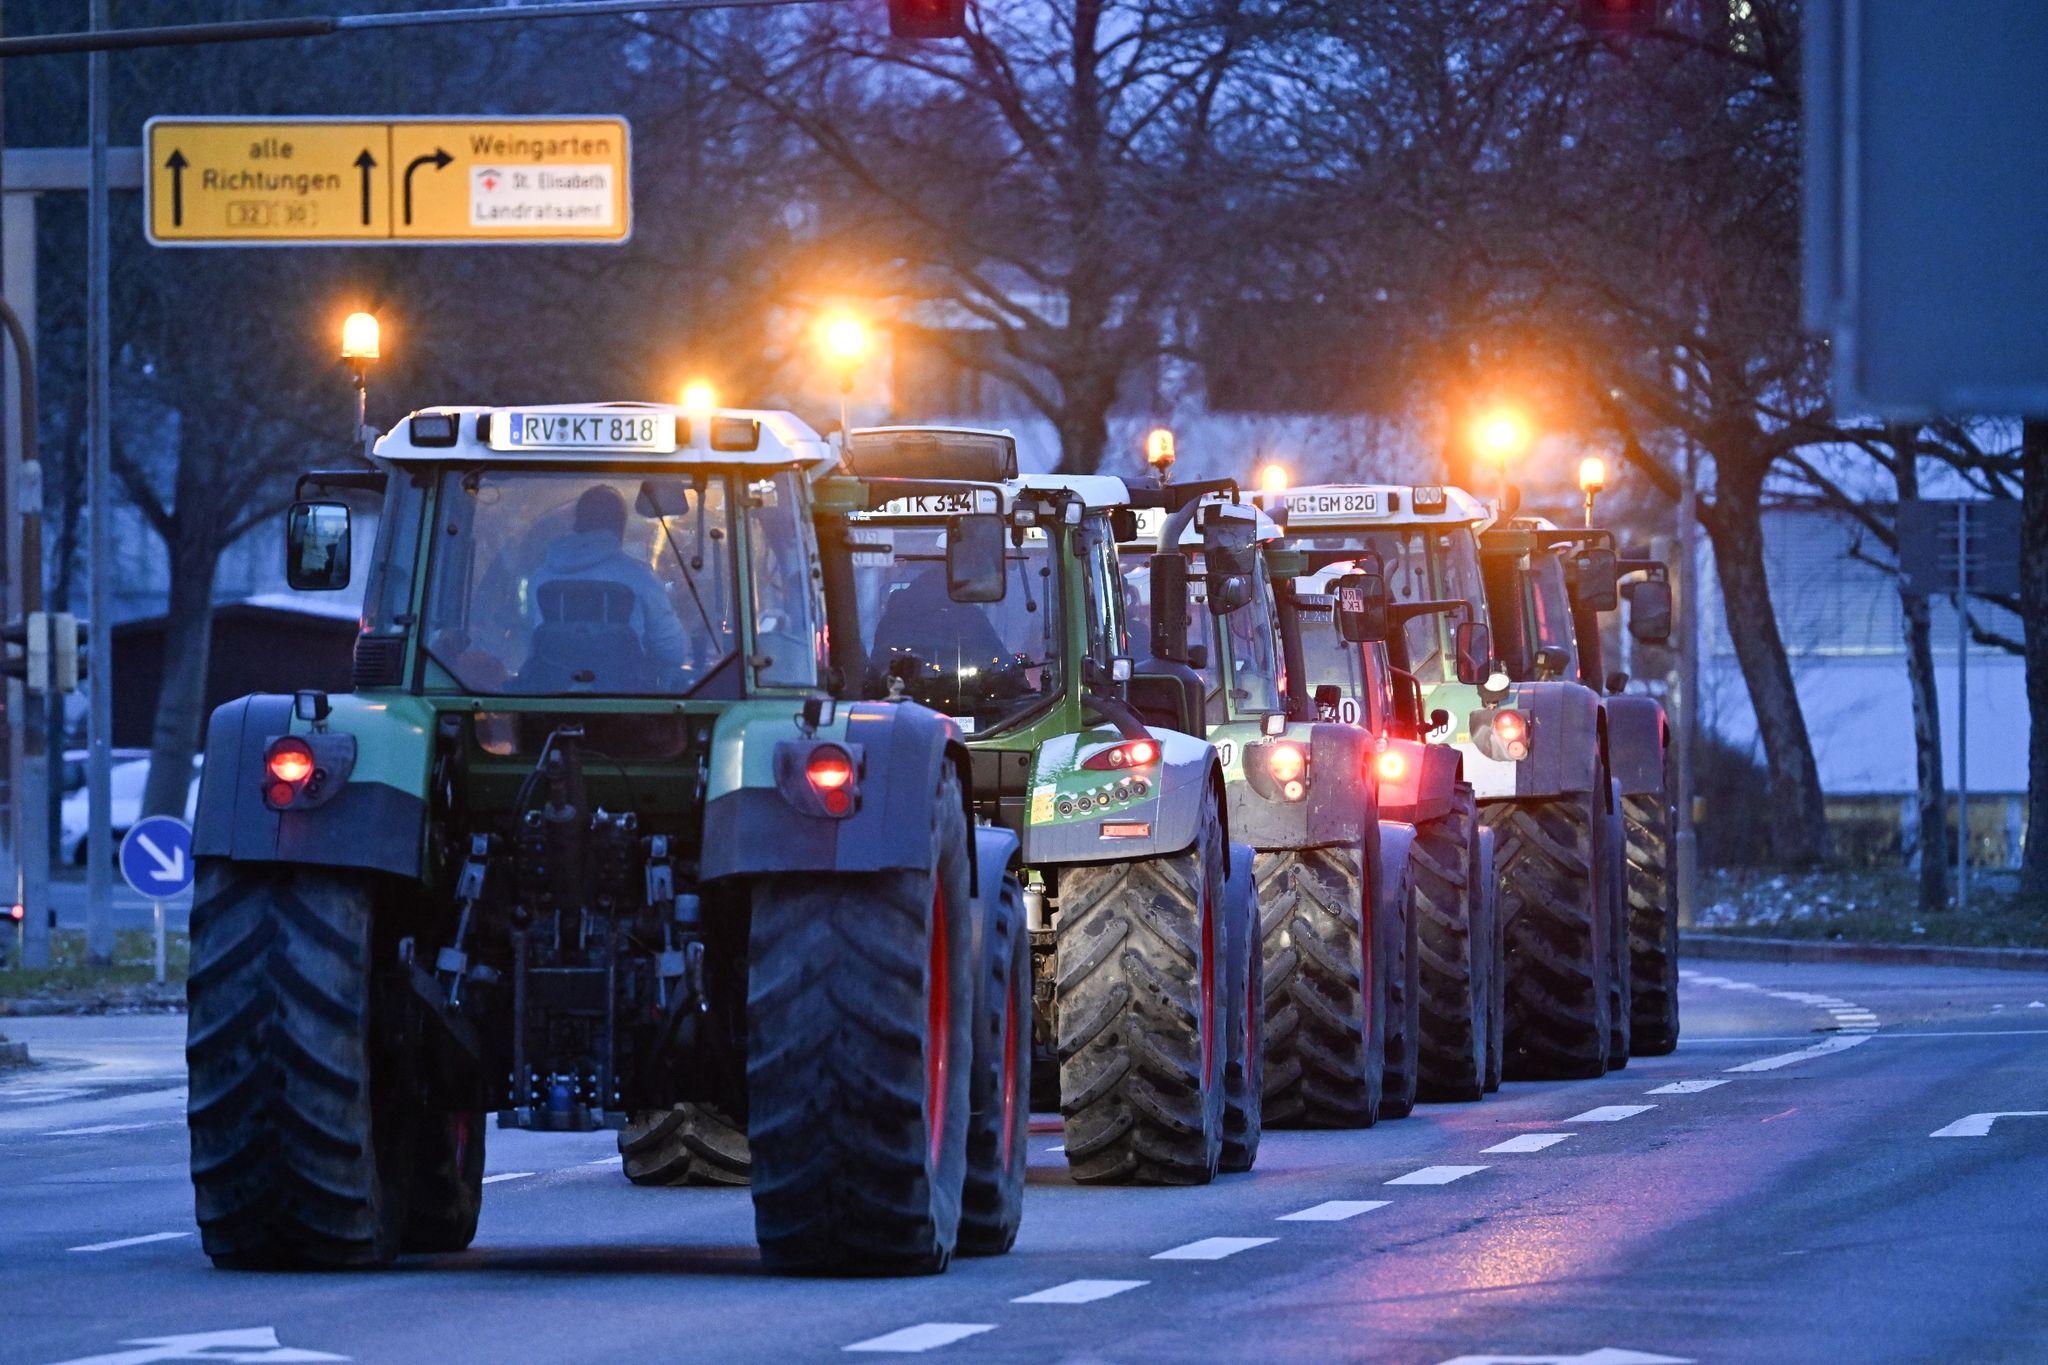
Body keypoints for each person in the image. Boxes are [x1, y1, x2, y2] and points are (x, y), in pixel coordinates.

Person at [529, 485, 691, 667]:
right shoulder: (640, 577)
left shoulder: (539, 578)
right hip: (626, 691)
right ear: (621, 527)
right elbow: (672, 652)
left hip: (550, 689)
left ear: (577, 524)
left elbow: (528, 646)